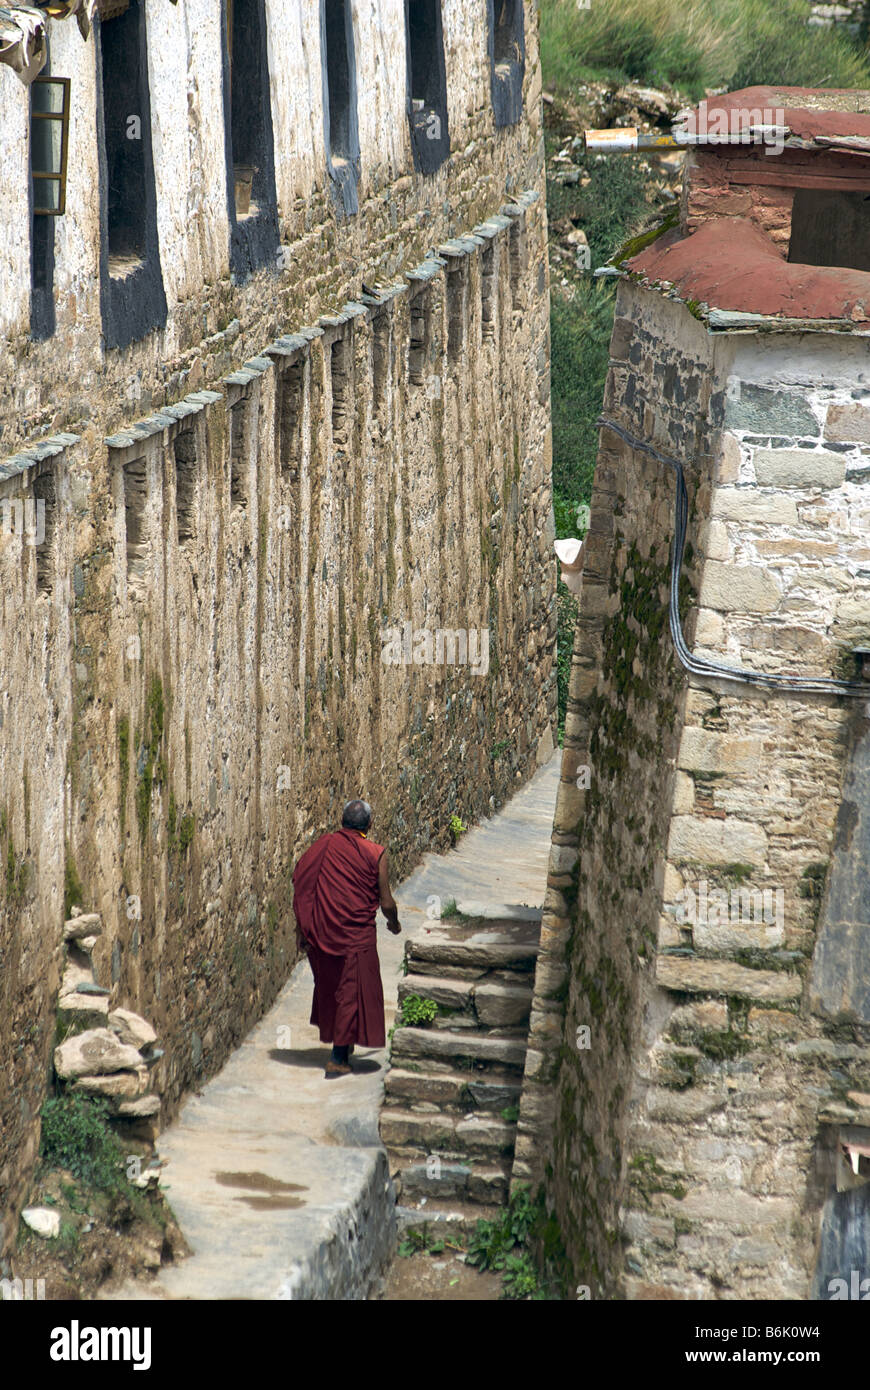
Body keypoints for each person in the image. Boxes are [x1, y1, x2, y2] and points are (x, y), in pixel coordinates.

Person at [291, 799, 401, 1077]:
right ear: (370, 825)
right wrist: (394, 922)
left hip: (322, 931)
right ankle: (338, 1058)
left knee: (334, 989)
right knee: (350, 992)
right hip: (355, 936)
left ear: (342, 822)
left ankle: (345, 1042)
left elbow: (301, 880)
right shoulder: (375, 853)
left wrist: (302, 929)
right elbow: (386, 901)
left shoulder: (324, 845)